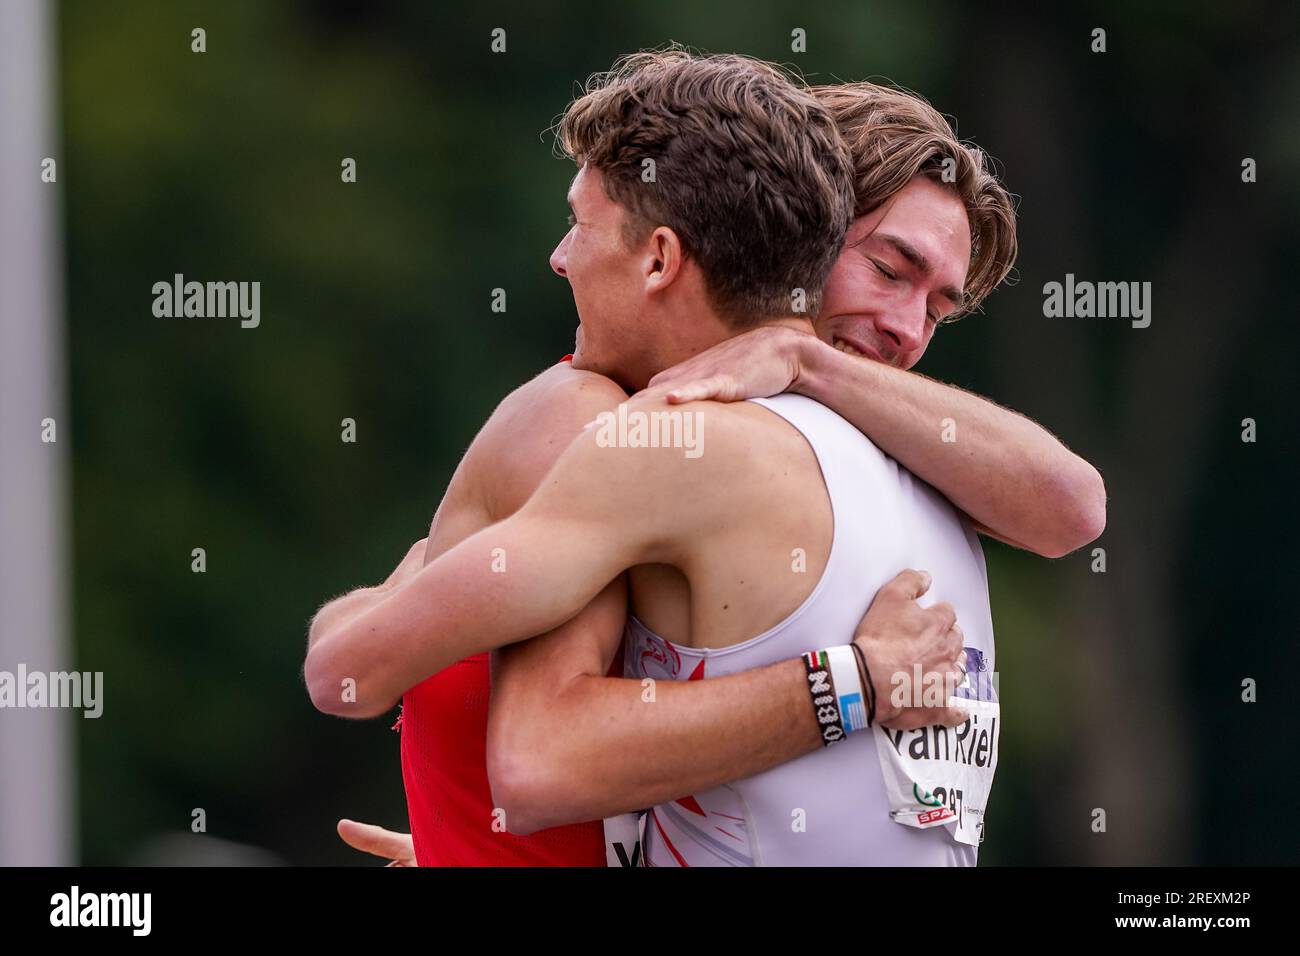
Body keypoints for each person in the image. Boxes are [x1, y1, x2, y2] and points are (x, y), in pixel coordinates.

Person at [308, 54, 1103, 866]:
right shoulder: (606, 417)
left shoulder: (873, 447)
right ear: (802, 225)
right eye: (888, 269)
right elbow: (534, 766)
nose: (908, 330)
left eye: (939, 306)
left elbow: (1074, 506)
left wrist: (808, 362)